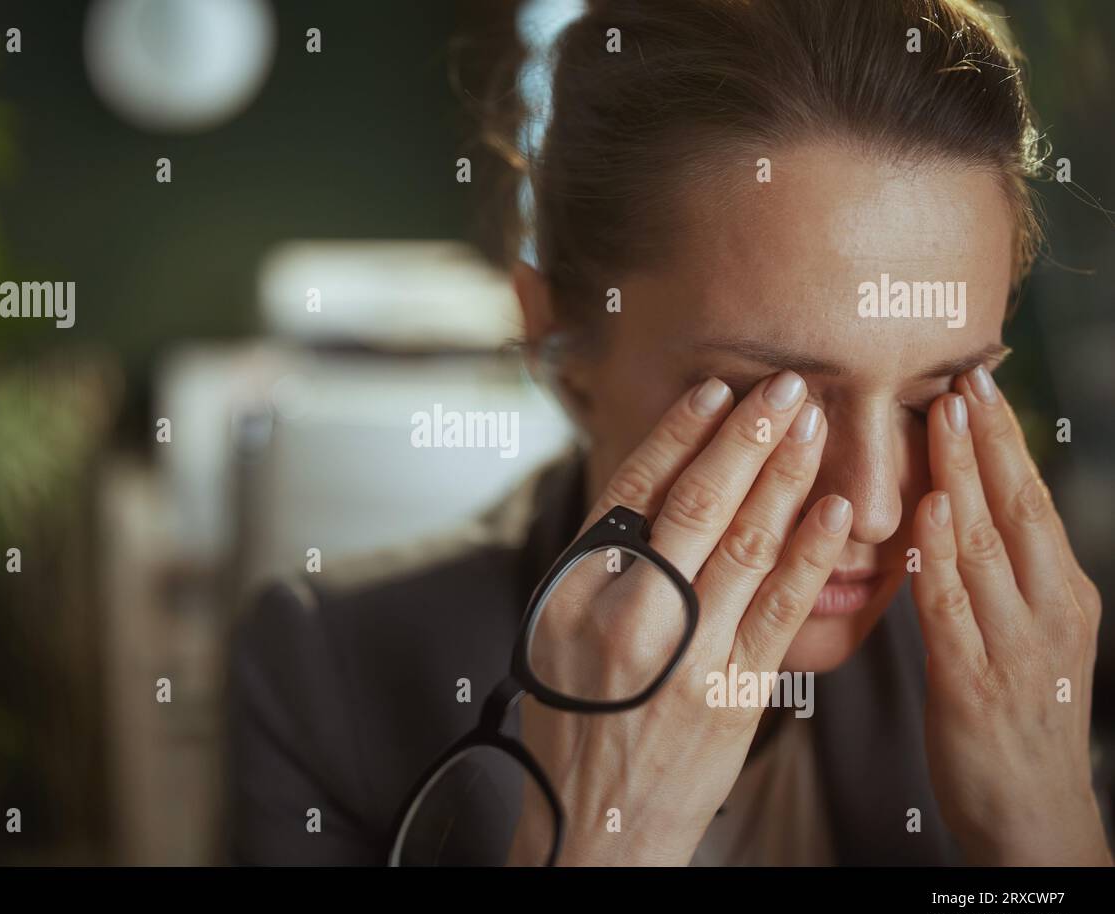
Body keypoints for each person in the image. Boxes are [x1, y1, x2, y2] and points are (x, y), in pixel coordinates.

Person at [229, 0, 1111, 865]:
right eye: (777, 401)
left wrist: (1046, 833)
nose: (875, 508)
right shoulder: (324, 675)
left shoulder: (1023, 666)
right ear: (561, 340)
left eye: (936, 398)